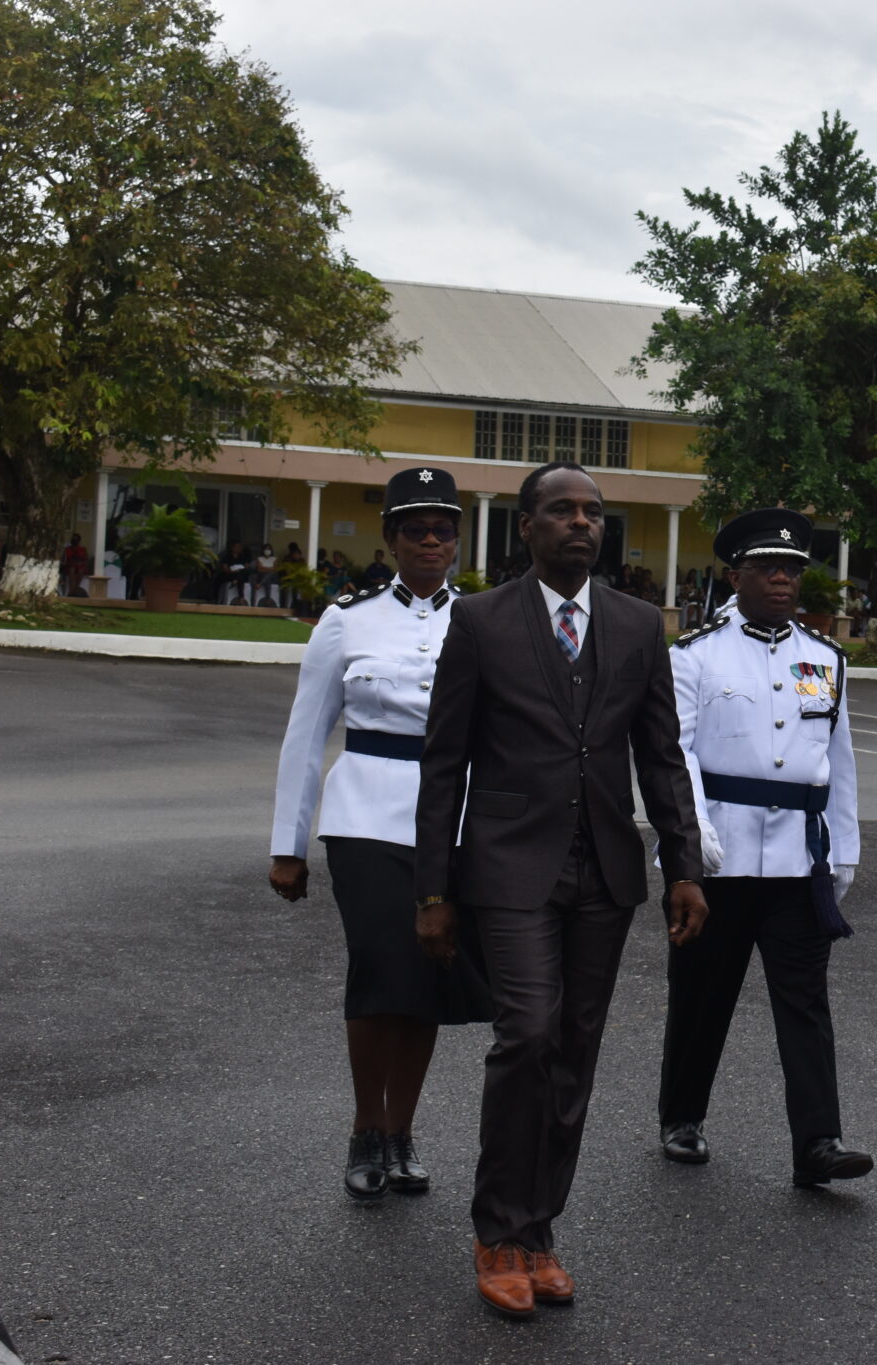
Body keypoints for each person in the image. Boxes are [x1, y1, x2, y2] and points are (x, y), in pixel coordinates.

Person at [414, 459, 709, 1319]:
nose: (583, 523)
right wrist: (434, 887)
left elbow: (660, 753)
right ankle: (497, 1228)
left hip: (605, 872)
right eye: (563, 510)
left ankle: (538, 1230)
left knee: (574, 1051)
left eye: (594, 511)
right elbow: (444, 763)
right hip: (507, 866)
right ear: (527, 527)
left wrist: (683, 866)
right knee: (529, 1032)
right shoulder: (478, 621)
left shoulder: (634, 623)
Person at [269, 466, 493, 1205]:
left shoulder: (483, 620)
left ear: (457, 539)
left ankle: (403, 1132)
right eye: (415, 528)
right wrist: (287, 844)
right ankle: (366, 1127)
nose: (431, 540)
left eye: (443, 528)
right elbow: (306, 736)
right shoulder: (346, 620)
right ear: (391, 538)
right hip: (365, 818)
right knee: (378, 970)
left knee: (429, 974)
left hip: (452, 820)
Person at [656, 508, 871, 1187]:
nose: (782, 578)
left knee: (805, 1001)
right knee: (701, 993)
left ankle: (818, 1140)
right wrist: (689, 843)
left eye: (792, 569)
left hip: (795, 862)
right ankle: (682, 1115)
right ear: (735, 575)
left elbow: (838, 761)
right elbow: (675, 755)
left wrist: (845, 850)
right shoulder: (693, 654)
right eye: (767, 567)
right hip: (718, 861)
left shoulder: (826, 658)